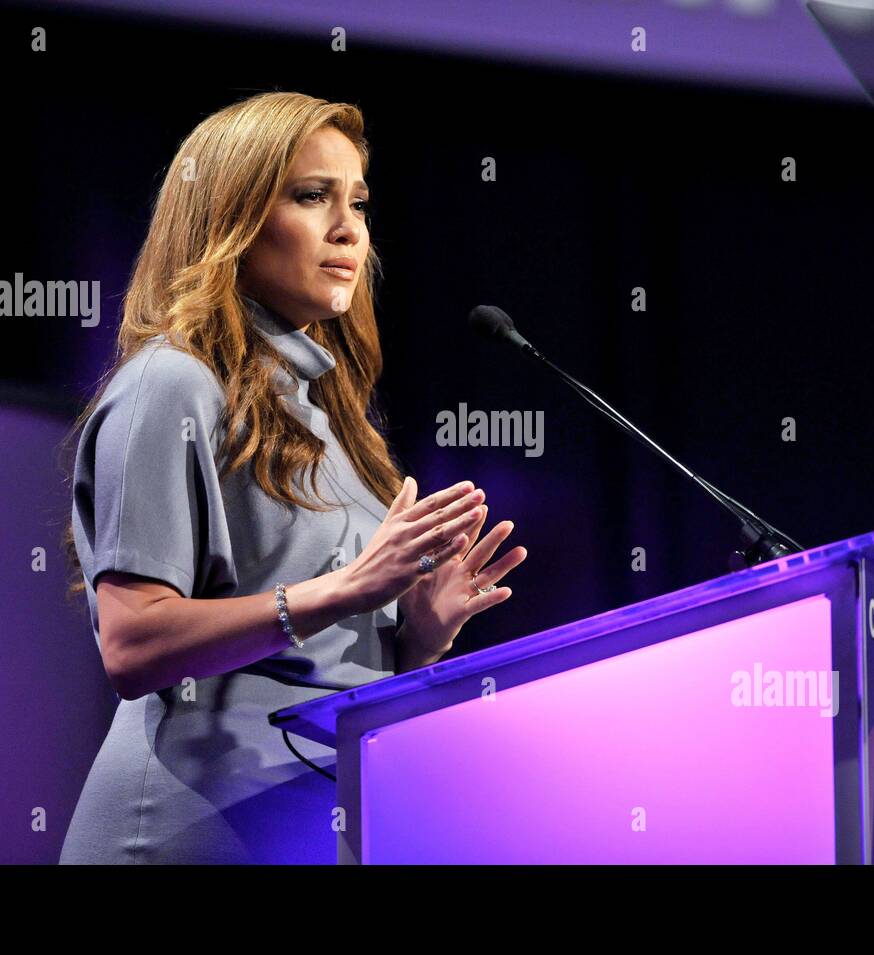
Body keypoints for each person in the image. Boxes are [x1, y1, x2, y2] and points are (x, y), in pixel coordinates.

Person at [57, 90, 526, 864]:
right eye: (312, 197)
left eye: (359, 203)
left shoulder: (336, 424)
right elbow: (133, 642)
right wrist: (343, 589)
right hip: (189, 830)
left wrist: (416, 637)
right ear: (229, 218)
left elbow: (322, 664)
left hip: (323, 821)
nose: (349, 229)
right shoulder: (170, 384)